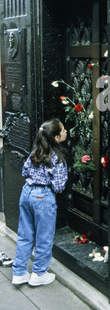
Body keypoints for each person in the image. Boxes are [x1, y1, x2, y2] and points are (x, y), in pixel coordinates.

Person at [12, 118, 68, 287]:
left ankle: (19, 272)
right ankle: (39, 274)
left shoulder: (35, 152)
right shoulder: (57, 159)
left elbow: (24, 171)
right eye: (63, 130)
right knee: (44, 238)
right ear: (56, 138)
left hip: (27, 193)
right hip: (43, 197)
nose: (66, 131)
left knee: (25, 235)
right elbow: (58, 187)